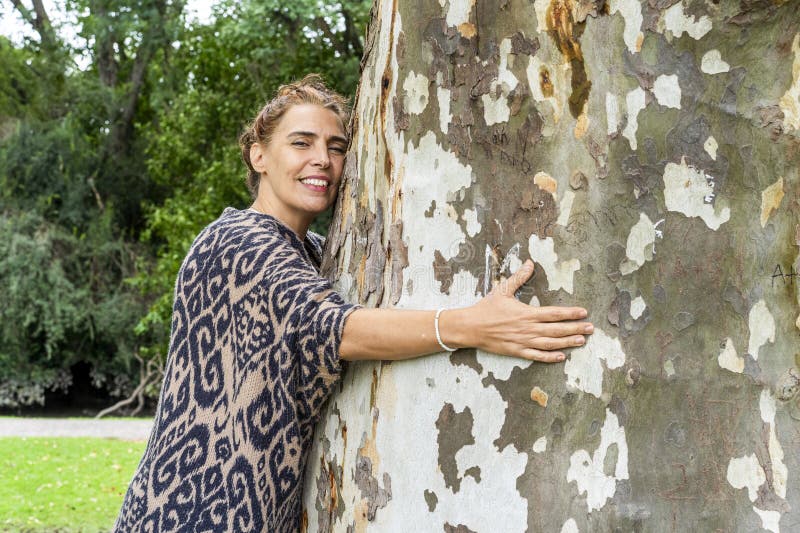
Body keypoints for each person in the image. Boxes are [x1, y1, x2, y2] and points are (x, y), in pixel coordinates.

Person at [113, 74, 593, 532]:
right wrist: (474, 326)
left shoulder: (317, 253)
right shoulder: (239, 241)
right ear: (258, 155)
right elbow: (335, 327)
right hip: (188, 513)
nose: (322, 158)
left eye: (336, 147)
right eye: (301, 143)